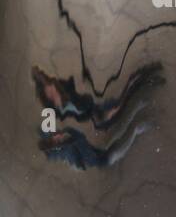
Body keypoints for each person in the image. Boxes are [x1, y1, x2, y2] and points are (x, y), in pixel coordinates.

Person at [31, 62, 163, 130]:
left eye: (52, 91)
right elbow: (71, 113)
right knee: (117, 107)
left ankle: (143, 76)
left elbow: (77, 93)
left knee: (120, 101)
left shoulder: (61, 86)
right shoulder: (56, 107)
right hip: (92, 111)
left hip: (93, 105)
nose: (53, 95)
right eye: (50, 95)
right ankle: (144, 79)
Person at [39, 106, 151, 171]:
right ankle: (136, 127)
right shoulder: (69, 148)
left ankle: (136, 121)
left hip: (100, 154)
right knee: (121, 145)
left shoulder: (68, 133)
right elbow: (79, 164)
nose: (58, 135)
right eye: (57, 139)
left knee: (120, 141)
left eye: (55, 135)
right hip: (100, 158)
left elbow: (82, 139)